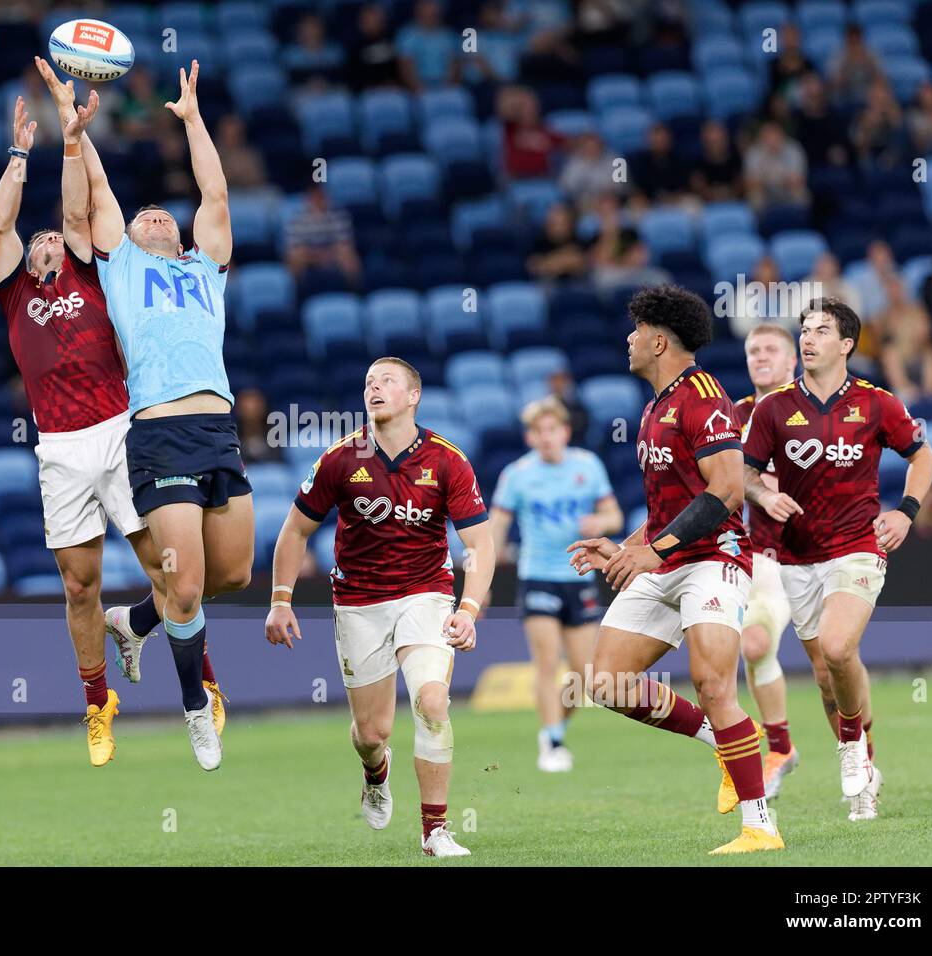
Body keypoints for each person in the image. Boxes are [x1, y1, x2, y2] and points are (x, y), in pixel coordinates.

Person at [50, 58, 255, 772]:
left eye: (162, 214)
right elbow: (95, 196)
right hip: (160, 436)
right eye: (142, 217)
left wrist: (193, 118)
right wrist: (76, 134)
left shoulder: (206, 266)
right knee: (189, 584)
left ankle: (135, 621)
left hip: (219, 434)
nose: (154, 214)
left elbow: (216, 191)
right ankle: (196, 707)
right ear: (129, 239)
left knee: (233, 575)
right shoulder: (122, 268)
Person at [0, 87, 175, 770]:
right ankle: (98, 707)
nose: (43, 241)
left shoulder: (91, 274)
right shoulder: (16, 295)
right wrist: (18, 154)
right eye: (35, 242)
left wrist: (71, 140)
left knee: (168, 563)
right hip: (61, 447)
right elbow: (0, 227)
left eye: (50, 239)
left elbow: (74, 207)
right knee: (80, 587)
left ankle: (200, 678)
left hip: (119, 428)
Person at [567, 285, 781, 855]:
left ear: (659, 339)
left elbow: (729, 490)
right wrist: (626, 545)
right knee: (607, 683)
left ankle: (761, 828)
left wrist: (653, 551)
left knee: (714, 684)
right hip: (667, 557)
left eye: (636, 330)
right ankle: (724, 737)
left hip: (714, 558)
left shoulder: (704, 397)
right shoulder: (653, 407)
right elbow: (670, 508)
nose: (628, 339)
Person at [265, 358, 495, 857]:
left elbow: (480, 542)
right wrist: (280, 599)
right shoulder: (341, 459)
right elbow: (295, 531)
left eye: (386, 380)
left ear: (413, 395)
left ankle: (434, 831)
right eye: (368, 380)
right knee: (372, 733)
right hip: (359, 602)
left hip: (426, 594)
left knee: (432, 703)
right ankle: (376, 770)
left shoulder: (447, 460)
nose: (374, 387)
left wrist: (469, 608)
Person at [742, 298, 932, 821]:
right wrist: (762, 496)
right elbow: (742, 471)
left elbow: (923, 455)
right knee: (829, 675)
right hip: (794, 559)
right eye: (804, 330)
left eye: (821, 331)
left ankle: (850, 751)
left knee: (836, 645)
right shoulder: (773, 408)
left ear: (846, 344)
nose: (808, 339)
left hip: (857, 547)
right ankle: (867, 770)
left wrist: (906, 513)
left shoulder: (877, 403)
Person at [489, 397, 622, 771]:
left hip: (578, 576)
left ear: (564, 432)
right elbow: (497, 526)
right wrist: (482, 580)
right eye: (538, 432)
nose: (547, 438)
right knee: (546, 663)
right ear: (530, 437)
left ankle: (554, 727)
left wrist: (601, 523)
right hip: (537, 577)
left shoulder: (588, 465)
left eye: (553, 430)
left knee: (585, 676)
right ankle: (553, 741)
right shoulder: (517, 474)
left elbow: (613, 514)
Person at [733, 324, 800, 798]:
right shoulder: (731, 415)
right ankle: (780, 747)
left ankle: (863, 753)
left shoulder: (813, 412)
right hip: (757, 556)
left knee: (833, 666)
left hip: (815, 554)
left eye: (771, 349)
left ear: (793, 359)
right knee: (754, 645)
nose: (760, 357)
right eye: (753, 350)